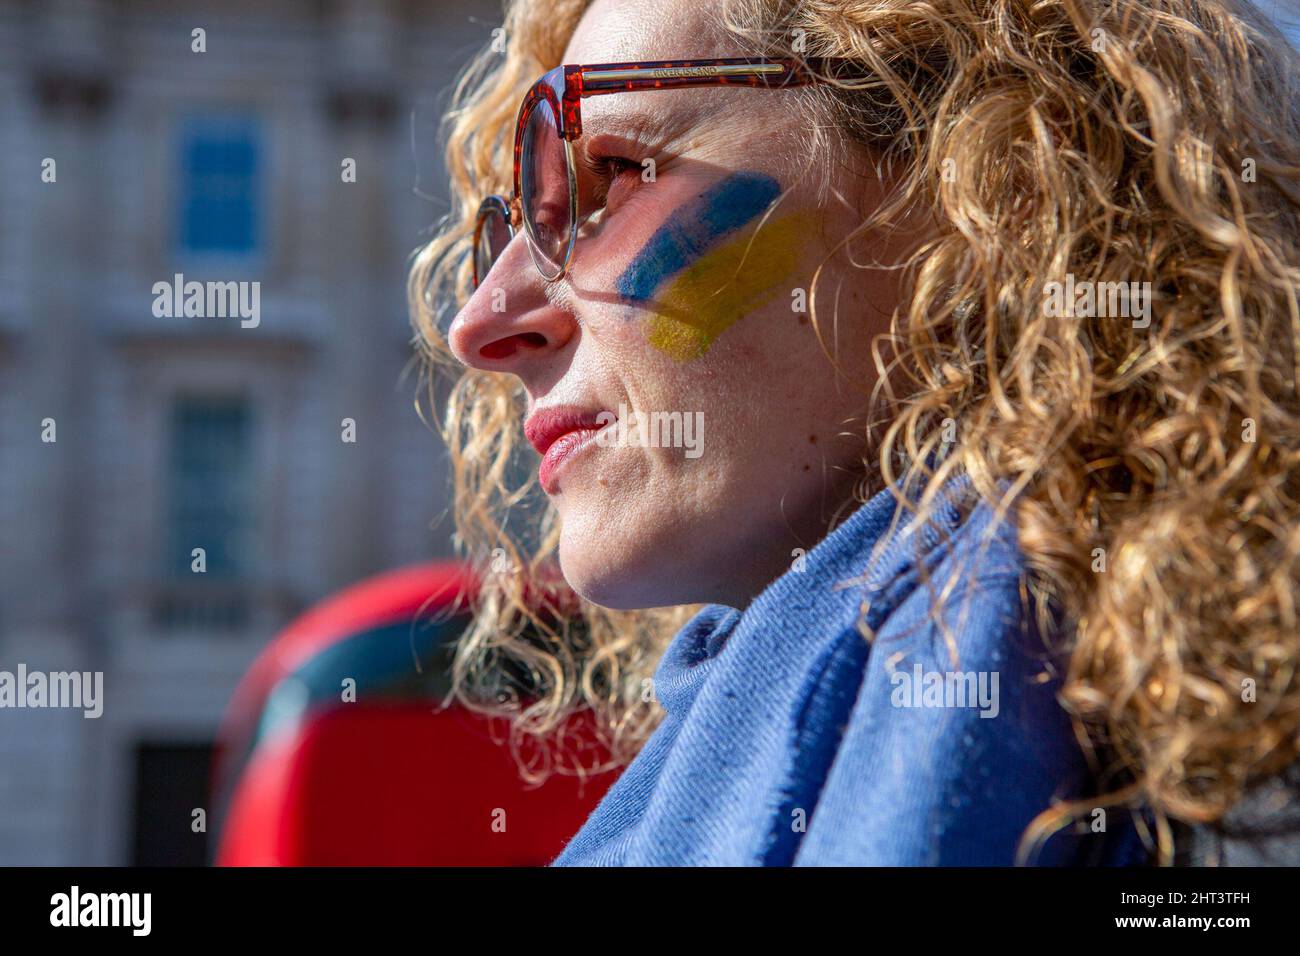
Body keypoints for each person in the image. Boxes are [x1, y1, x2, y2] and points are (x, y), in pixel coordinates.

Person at [409, 0, 1300, 865]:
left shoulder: (1237, 775)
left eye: (610, 176)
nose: (481, 323)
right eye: (510, 229)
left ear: (980, 176)